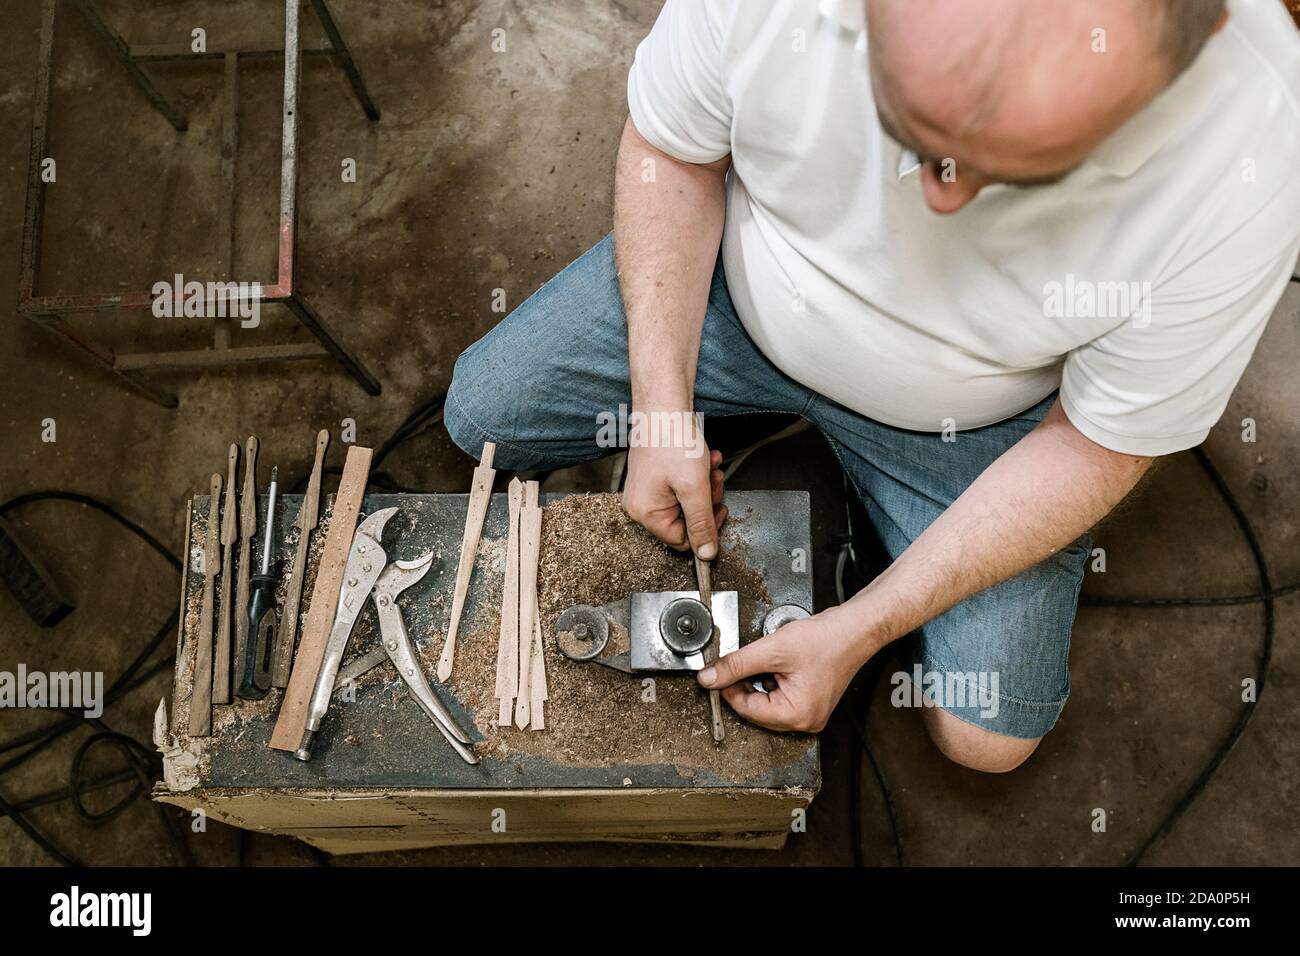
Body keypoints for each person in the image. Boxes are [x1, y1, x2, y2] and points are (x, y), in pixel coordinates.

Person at [446, 0, 1300, 771]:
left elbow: (1100, 440)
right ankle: (728, 422)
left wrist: (861, 629)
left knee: (986, 737)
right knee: (484, 417)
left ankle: (874, 511)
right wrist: (661, 410)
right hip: (739, 294)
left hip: (970, 417)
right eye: (912, 135)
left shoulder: (1257, 154)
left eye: (1015, 171)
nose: (940, 202)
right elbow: (671, 152)